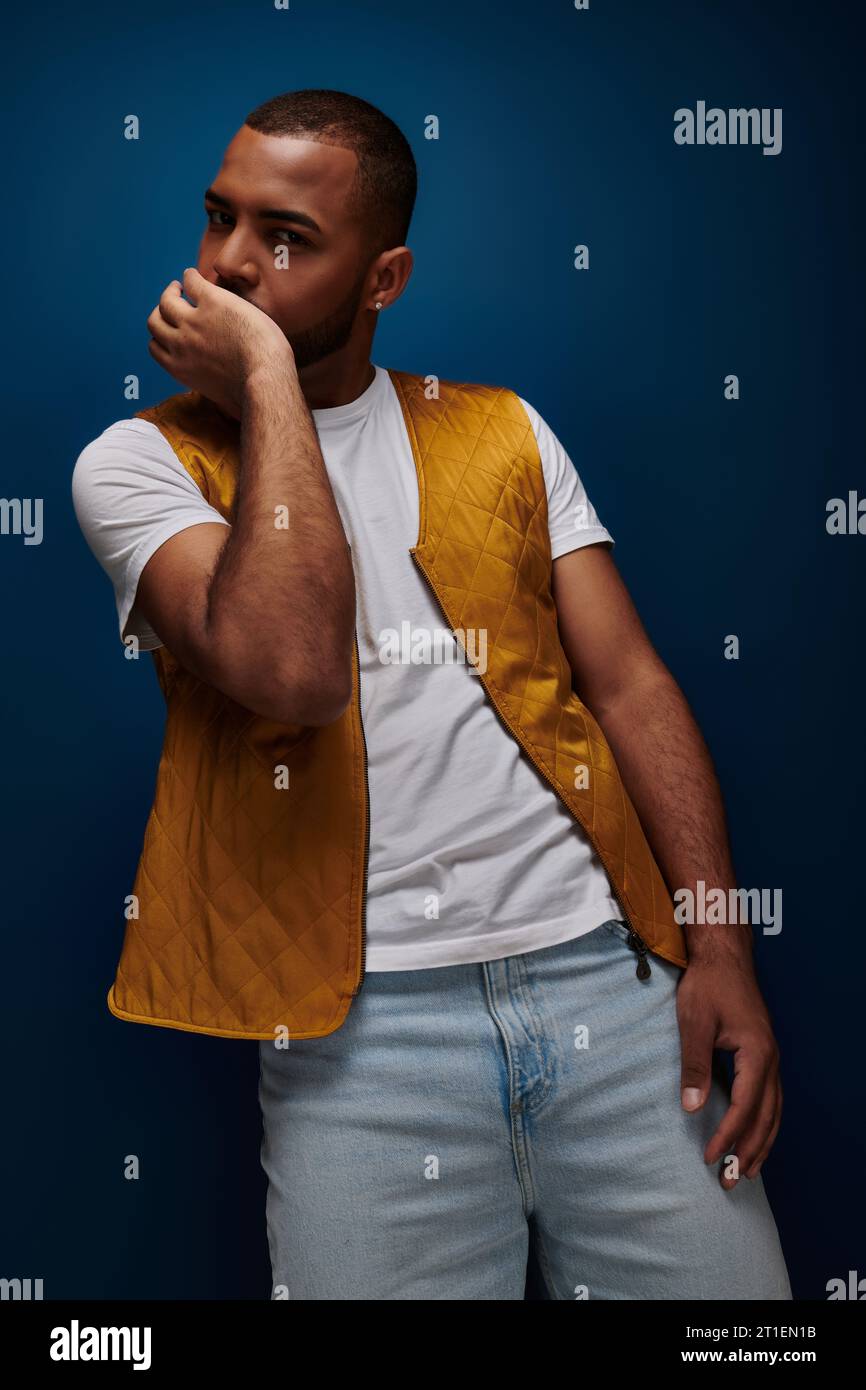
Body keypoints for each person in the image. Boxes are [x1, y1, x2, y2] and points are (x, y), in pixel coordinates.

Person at [71, 88, 792, 1300]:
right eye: (219, 219)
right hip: (360, 1044)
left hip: (611, 996)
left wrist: (719, 943)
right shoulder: (137, 464)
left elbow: (629, 687)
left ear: (383, 276)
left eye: (288, 238)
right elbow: (293, 669)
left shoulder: (501, 431)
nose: (232, 264)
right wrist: (264, 376)